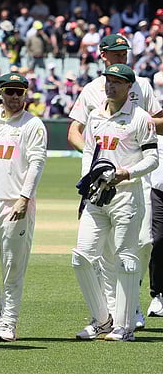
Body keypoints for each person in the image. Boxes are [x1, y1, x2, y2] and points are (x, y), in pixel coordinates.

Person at [67, 34, 163, 329]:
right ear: (102, 56)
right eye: (115, 54)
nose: (121, 57)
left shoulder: (142, 86)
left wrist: (135, 122)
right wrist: (96, 170)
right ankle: (111, 315)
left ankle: (130, 308)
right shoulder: (91, 92)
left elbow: (159, 123)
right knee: (98, 253)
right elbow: (76, 132)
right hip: (101, 183)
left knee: (141, 244)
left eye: (124, 53)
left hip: (134, 178)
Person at [0, 73, 47, 343]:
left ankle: (9, 323)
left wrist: (24, 197)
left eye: (20, 92)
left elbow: (37, 163)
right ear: (0, 93)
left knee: (13, 265)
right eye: (10, 91)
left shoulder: (33, 125)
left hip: (16, 203)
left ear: (26, 94)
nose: (15, 97)